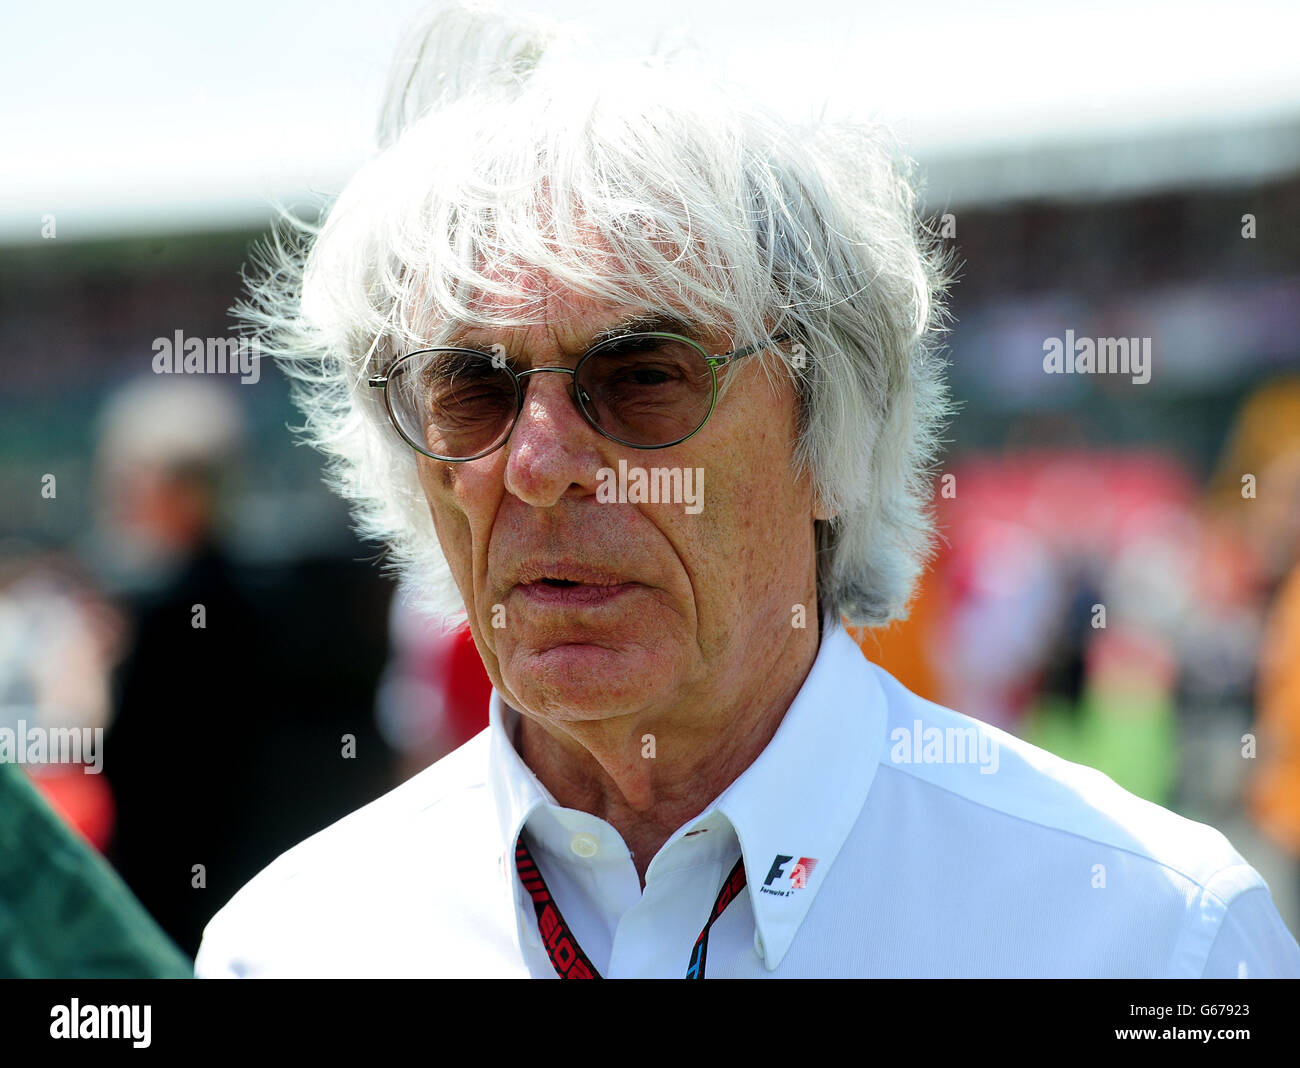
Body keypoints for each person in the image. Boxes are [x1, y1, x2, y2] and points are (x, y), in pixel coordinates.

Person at [195, 2, 1300, 978]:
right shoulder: (292, 947)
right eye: (471, 389)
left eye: (639, 379)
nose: (534, 463)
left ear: (831, 435)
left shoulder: (1151, 938)